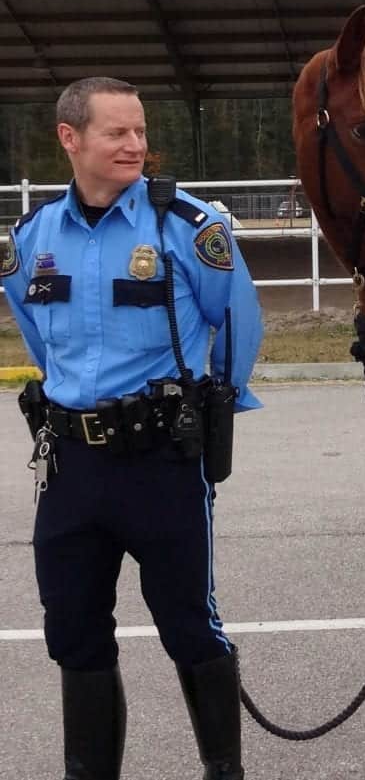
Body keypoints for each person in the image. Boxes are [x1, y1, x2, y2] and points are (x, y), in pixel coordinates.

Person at [1, 77, 263, 780]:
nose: (135, 145)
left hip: (161, 462)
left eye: (140, 131)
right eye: (117, 132)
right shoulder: (32, 239)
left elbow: (236, 319)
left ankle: (223, 770)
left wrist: (212, 411)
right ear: (71, 138)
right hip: (71, 471)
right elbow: (36, 336)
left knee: (189, 625)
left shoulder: (186, 224)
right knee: (75, 633)